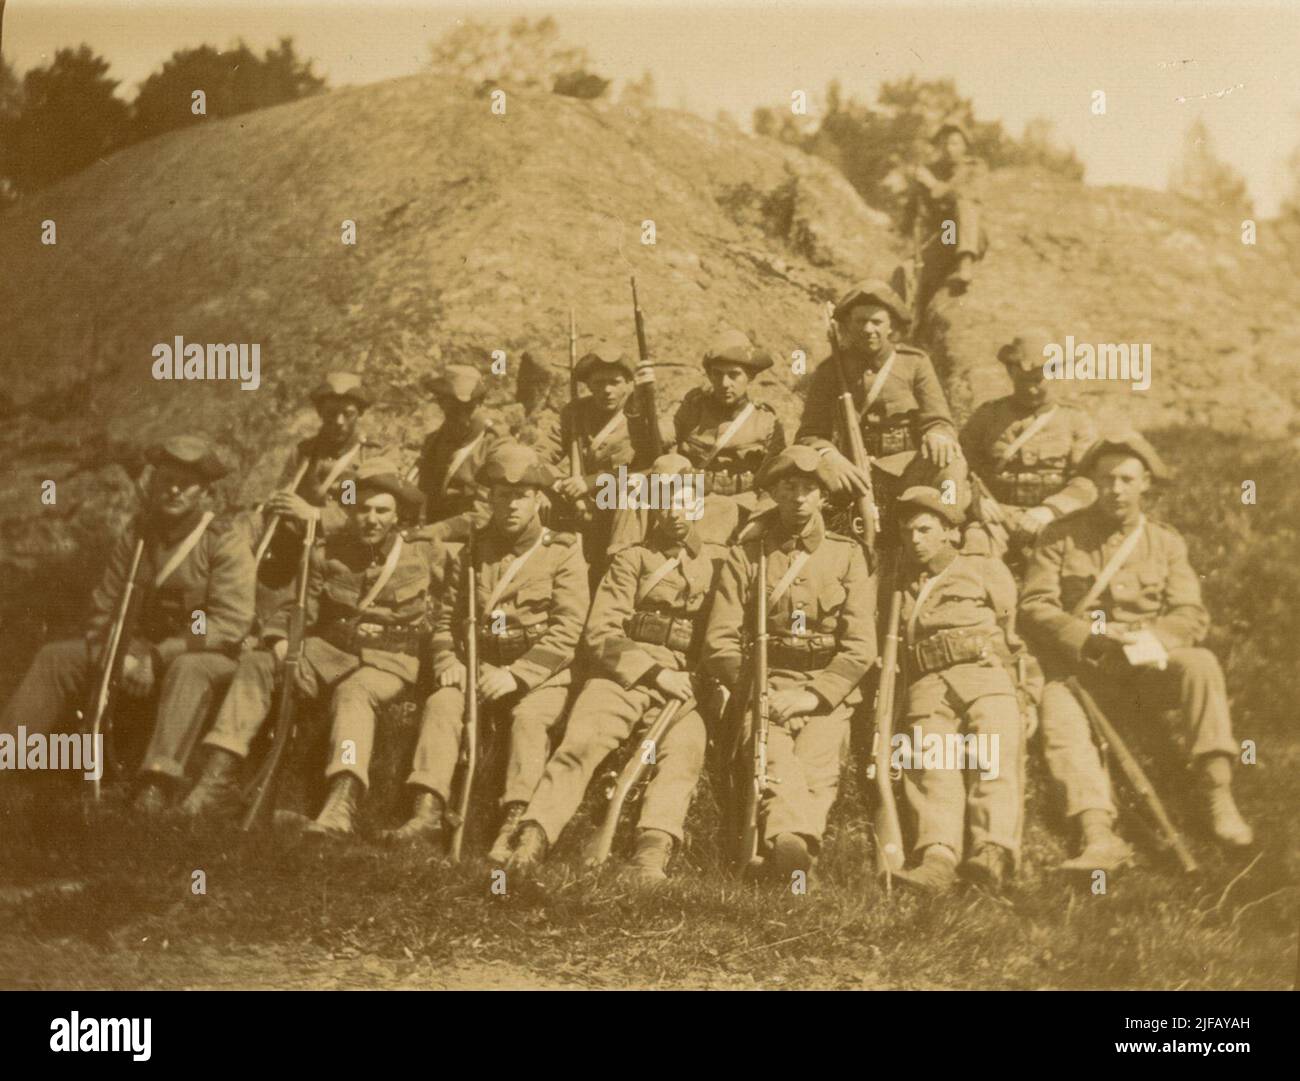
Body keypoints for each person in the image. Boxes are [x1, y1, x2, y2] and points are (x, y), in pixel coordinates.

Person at [1019, 432, 1254, 873]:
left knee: (1201, 664)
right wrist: (1088, 640)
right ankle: (1097, 834)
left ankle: (1217, 795)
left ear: (1145, 483)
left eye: (1127, 479)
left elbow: (1190, 613)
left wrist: (1152, 641)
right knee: (1059, 716)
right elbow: (1035, 605)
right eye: (1106, 479)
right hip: (1082, 670)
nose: (1116, 489)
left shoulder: (1165, 542)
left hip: (1147, 669)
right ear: (1092, 481)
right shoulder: (1061, 536)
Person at [1, 437, 254, 811]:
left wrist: (160, 654)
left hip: (201, 653)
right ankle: (11, 756)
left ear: (204, 491)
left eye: (185, 483)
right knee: (56, 657)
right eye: (166, 479)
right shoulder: (138, 534)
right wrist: (127, 653)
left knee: (189, 668)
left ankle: (156, 780)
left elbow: (228, 622)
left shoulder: (222, 540)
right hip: (133, 651)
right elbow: (105, 605)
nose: (173, 489)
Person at [182, 462, 434, 835]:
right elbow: (298, 606)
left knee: (354, 693)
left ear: (398, 516)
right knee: (257, 664)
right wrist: (283, 640)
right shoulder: (327, 551)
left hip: (387, 658)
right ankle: (217, 775)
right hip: (330, 649)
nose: (370, 519)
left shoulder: (424, 553)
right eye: (362, 509)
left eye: (381, 510)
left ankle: (342, 800)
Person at [506, 455, 724, 881]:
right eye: (663, 501)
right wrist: (655, 674)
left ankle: (651, 850)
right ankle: (534, 836)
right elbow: (601, 632)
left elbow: (724, 633)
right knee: (582, 741)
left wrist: (702, 678)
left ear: (698, 505)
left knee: (684, 753)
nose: (674, 512)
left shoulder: (720, 563)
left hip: (688, 684)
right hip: (625, 675)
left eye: (683, 501)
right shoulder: (630, 560)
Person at [388, 444, 589, 861]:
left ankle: (514, 822)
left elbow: (568, 628)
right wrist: (450, 663)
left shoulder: (564, 550)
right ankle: (427, 809)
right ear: (490, 499)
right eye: (502, 494)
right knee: (442, 703)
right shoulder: (473, 552)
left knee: (528, 720)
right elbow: (446, 620)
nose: (511, 504)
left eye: (521, 495)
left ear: (539, 499)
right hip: (478, 665)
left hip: (541, 675)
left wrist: (516, 675)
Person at [701, 445, 876, 882]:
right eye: (789, 487)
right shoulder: (748, 554)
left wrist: (813, 696)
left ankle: (784, 847)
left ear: (824, 498)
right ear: (775, 493)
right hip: (766, 684)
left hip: (823, 690)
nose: (798, 498)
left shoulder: (848, 555)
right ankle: (796, 857)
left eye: (809, 489)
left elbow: (859, 646)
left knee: (818, 764)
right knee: (775, 758)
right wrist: (757, 690)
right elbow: (719, 641)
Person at [889, 487, 1033, 895]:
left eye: (924, 530)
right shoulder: (898, 580)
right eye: (907, 531)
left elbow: (1014, 637)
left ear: (950, 532)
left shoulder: (984, 569)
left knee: (994, 753)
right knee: (931, 763)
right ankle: (938, 858)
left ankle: (992, 850)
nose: (914, 539)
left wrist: (1027, 692)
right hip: (928, 685)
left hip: (986, 676)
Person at [795, 280, 970, 549]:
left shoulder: (915, 363)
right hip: (851, 472)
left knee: (952, 463)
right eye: (860, 321)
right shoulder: (830, 371)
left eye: (877, 322)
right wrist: (831, 456)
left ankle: (949, 529)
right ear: (848, 325)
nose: (868, 329)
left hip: (907, 469)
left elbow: (938, 419)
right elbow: (809, 435)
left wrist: (938, 434)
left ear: (892, 326)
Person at [607, 329, 786, 553]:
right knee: (636, 488)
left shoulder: (766, 421)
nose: (724, 383)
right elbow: (653, 444)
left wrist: (760, 519)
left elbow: (777, 478)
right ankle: (620, 562)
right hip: (686, 490)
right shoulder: (693, 406)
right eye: (717, 374)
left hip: (734, 500)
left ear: (750, 376)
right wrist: (638, 402)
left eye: (734, 374)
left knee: (719, 509)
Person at [961, 330, 1098, 564]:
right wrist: (975, 501)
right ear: (1011, 372)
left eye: (1039, 380)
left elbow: (1088, 481)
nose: (1033, 389)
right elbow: (956, 472)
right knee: (976, 549)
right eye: (1025, 381)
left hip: (1055, 521)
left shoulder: (1076, 420)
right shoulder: (987, 416)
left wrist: (1051, 510)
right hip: (996, 520)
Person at [533, 346, 666, 586]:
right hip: (579, 505)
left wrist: (593, 482)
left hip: (622, 507)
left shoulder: (640, 415)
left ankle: (616, 583)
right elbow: (540, 456)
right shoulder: (574, 412)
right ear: (589, 385)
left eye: (614, 382)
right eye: (599, 383)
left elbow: (652, 468)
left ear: (628, 384)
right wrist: (557, 484)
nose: (606, 390)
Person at [906, 120, 988, 313]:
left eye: (954, 143)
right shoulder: (933, 169)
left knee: (964, 204)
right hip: (946, 236)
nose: (948, 148)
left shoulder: (974, 168)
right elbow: (916, 209)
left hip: (970, 236)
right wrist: (917, 184)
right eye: (944, 144)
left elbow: (967, 194)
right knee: (912, 274)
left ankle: (965, 264)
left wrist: (934, 184)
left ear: (965, 146)